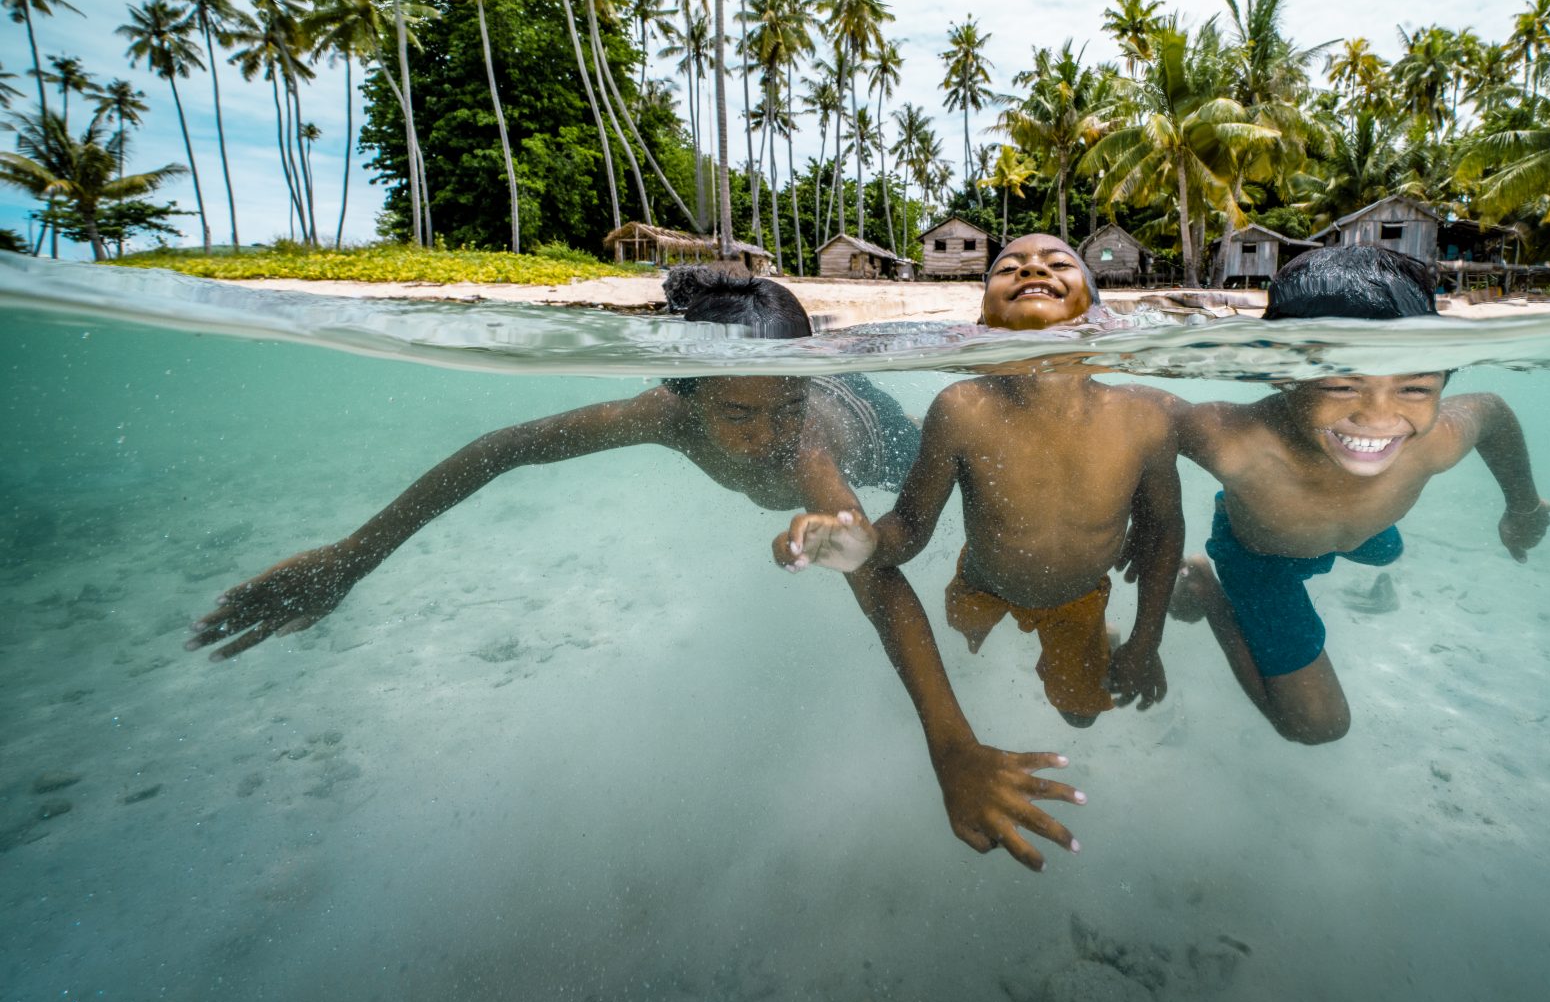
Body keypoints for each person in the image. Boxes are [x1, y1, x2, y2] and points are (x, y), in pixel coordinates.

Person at [188, 265, 1083, 872]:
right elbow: (501, 449)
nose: (768, 434)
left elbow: (878, 583)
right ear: (684, 394)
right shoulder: (659, 412)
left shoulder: (805, 450)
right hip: (783, 404)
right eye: (740, 414)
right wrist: (350, 560)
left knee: (948, 497)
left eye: (783, 405)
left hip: (877, 427)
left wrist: (950, 745)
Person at [775, 234, 1183, 731]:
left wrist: (1146, 641)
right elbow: (910, 523)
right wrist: (869, 545)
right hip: (981, 583)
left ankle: (1106, 632)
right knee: (966, 634)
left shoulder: (1145, 418)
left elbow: (1163, 531)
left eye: (1057, 263)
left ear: (1101, 317)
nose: (1033, 269)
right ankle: (999, 627)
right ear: (982, 321)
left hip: (1076, 599)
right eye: (1009, 267)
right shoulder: (961, 409)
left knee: (1080, 714)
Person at [1164, 245, 1550, 744]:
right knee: (1317, 726)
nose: (1377, 417)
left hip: (1362, 531)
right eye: (1342, 385)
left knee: (1386, 549)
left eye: (1414, 389)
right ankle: (1205, 586)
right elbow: (1149, 422)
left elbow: (1494, 412)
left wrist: (1522, 506)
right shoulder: (1235, 442)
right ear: (1283, 373)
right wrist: (1148, 530)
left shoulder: (1439, 439)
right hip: (1261, 557)